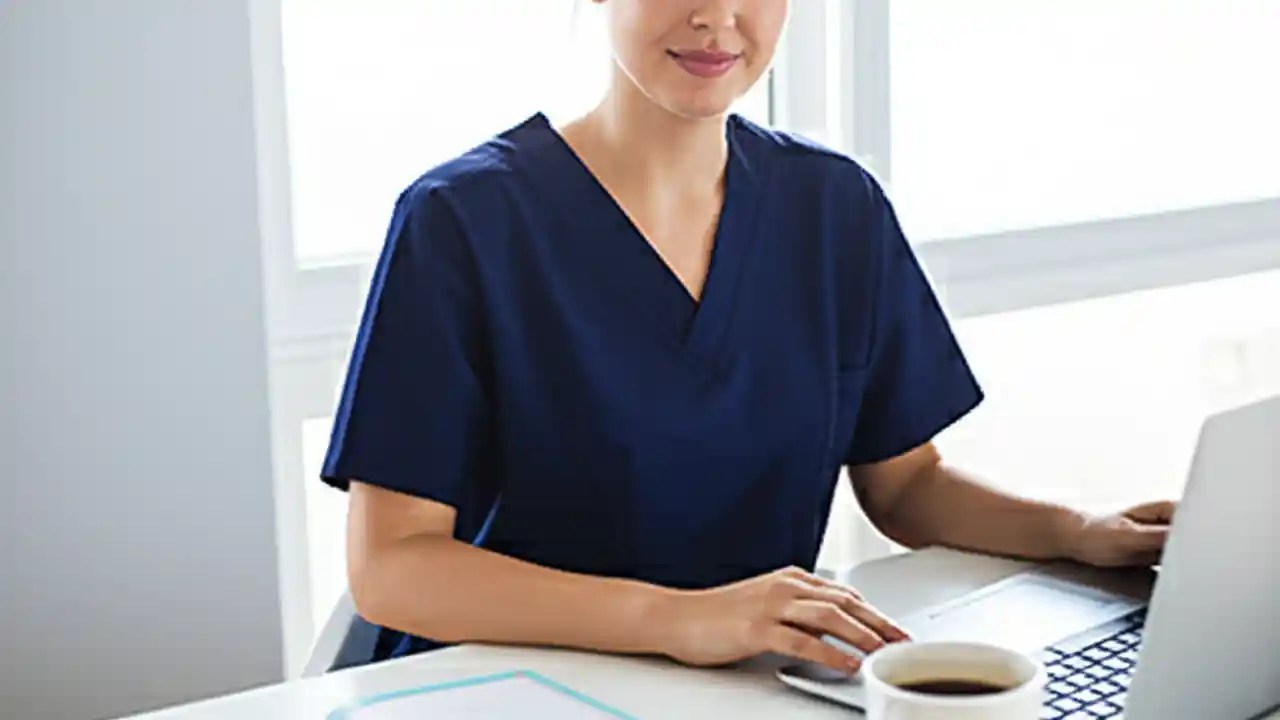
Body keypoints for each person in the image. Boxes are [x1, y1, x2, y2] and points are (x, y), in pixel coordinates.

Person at [321, 0, 1176, 672]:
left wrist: (1076, 531)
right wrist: (679, 619)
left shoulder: (836, 208)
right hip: (508, 692)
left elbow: (906, 484)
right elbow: (395, 569)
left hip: (746, 687)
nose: (718, 15)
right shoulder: (461, 223)